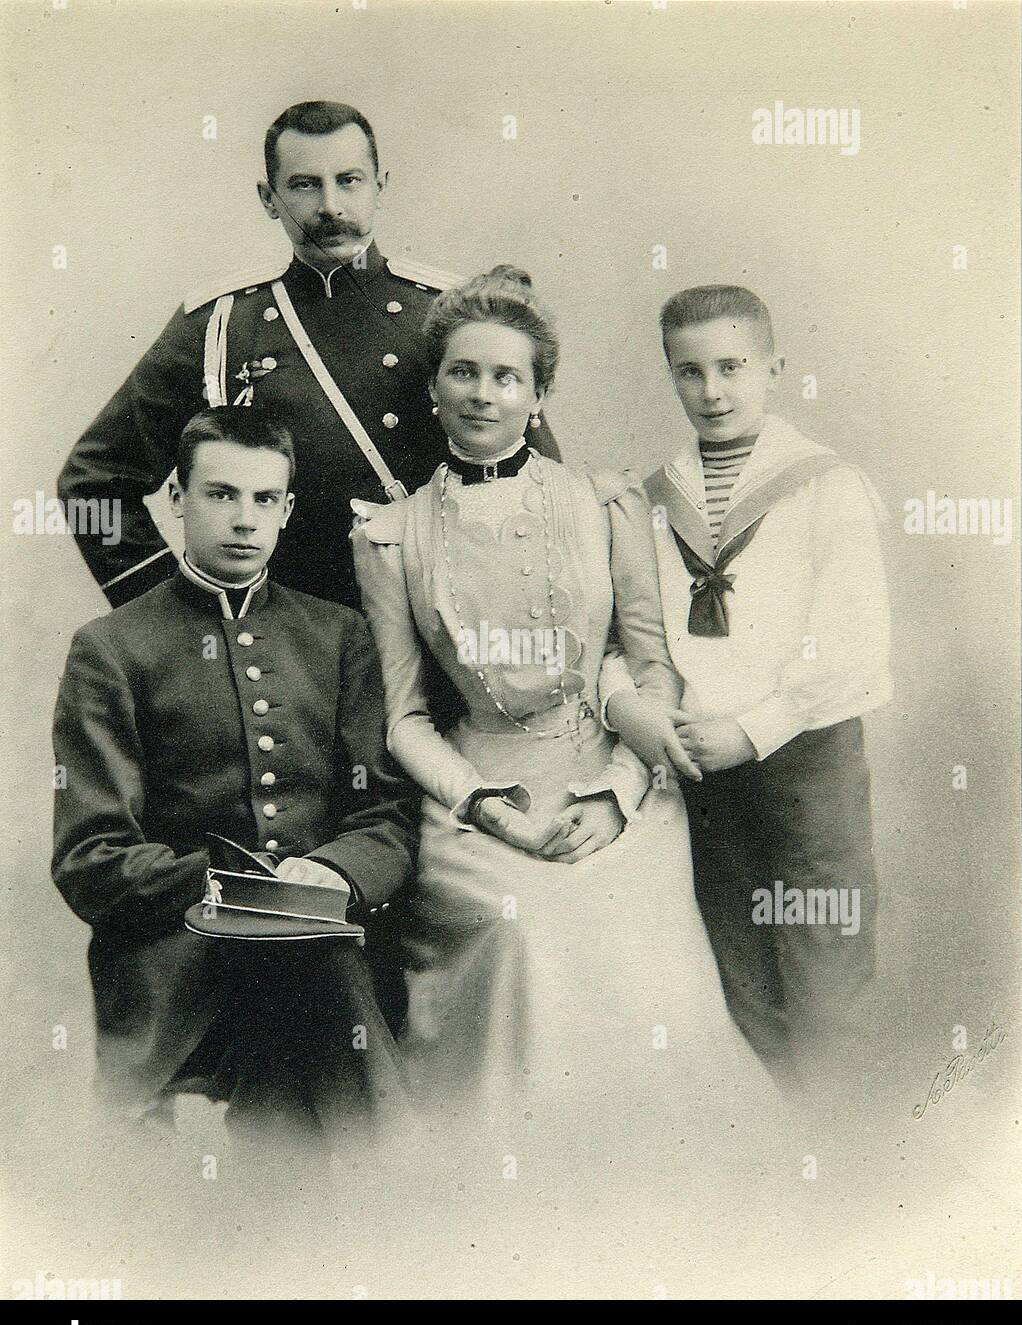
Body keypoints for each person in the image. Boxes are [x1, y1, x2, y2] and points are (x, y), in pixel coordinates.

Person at [351, 266, 767, 1148]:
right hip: (477, 795)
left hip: (614, 779)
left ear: (539, 393)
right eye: (463, 372)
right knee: (520, 932)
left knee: (623, 932)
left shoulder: (604, 503)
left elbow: (652, 674)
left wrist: (617, 794)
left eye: (508, 376)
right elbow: (405, 720)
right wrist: (486, 809)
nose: (483, 394)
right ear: (432, 388)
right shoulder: (393, 536)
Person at [51, 407, 419, 1150]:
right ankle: (402, 1199)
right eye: (220, 495)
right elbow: (90, 859)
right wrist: (237, 887)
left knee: (319, 972)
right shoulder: (111, 650)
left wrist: (335, 875)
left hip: (323, 942)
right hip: (176, 962)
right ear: (177, 499)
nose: (243, 519)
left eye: (262, 500)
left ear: (286, 511)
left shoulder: (339, 635)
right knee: (322, 987)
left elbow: (385, 816)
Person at [56, 100, 558, 611]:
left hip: (448, 631)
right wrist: (179, 615)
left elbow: (540, 479)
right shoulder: (222, 326)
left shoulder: (450, 315)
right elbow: (93, 484)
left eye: (349, 180)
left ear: (380, 185)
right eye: (304, 185)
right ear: (268, 198)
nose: (330, 206)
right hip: (298, 651)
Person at [609, 284, 892, 1094]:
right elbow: (637, 631)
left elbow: (852, 645)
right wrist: (661, 717)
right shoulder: (655, 497)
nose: (714, 391)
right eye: (689, 372)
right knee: (736, 965)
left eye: (732, 367)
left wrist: (758, 727)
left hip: (806, 759)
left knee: (824, 961)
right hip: (703, 766)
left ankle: (840, 1154)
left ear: (773, 367)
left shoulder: (823, 485)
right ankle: (781, 1161)